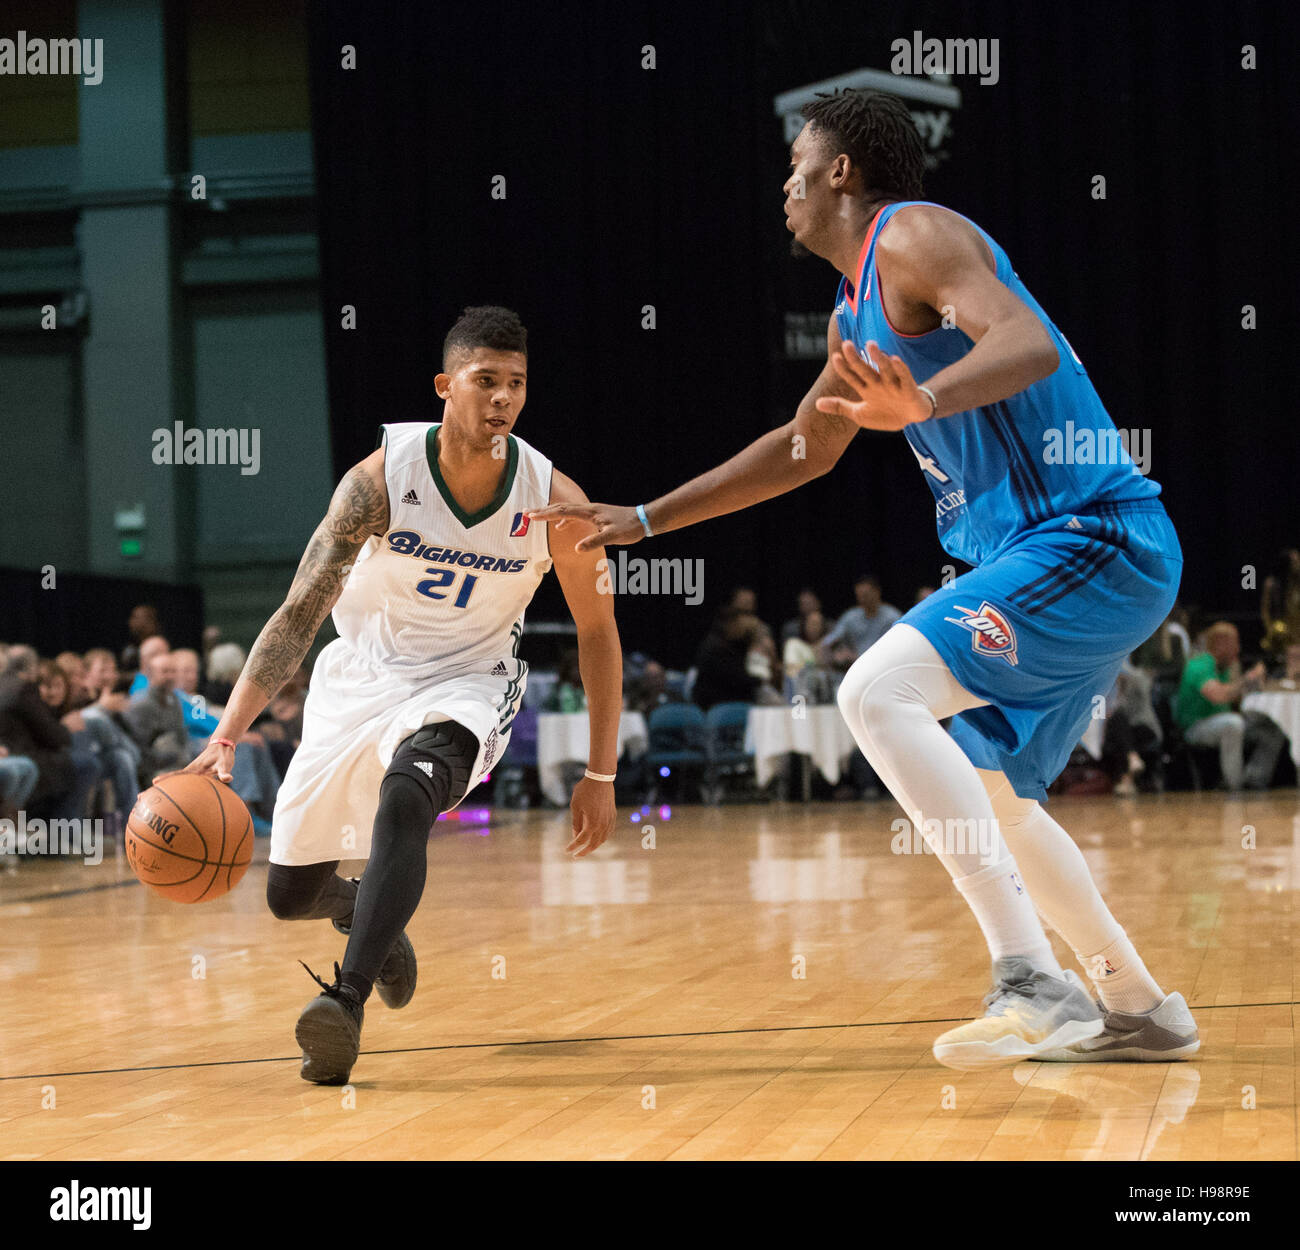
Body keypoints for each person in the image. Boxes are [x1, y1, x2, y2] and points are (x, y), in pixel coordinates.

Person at [532, 88, 1197, 1068]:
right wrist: (642, 518)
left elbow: (1027, 341)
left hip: (1094, 532)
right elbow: (802, 449)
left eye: (795, 161)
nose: (784, 183)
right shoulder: (855, 306)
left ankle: (1027, 977)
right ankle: (1138, 1006)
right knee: (995, 791)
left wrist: (921, 394)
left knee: (873, 688)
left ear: (839, 170)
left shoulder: (913, 235)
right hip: (1051, 555)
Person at [180, 305, 621, 1085]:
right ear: (446, 386)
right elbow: (299, 613)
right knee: (290, 896)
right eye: (486, 381)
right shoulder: (378, 483)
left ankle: (343, 1003)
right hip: (358, 677)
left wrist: (601, 774)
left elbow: (597, 633)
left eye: (517, 384)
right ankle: (359, 909)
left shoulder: (554, 499)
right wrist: (228, 730)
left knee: (405, 797)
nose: (503, 399)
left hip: (468, 681)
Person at [1174, 621, 1287, 790]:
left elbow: (1238, 701)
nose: (1238, 648)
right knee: (1233, 724)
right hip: (1195, 727)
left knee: (1271, 730)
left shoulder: (1227, 667)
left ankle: (1254, 781)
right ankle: (1234, 785)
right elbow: (1217, 696)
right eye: (1235, 643)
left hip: (1224, 722)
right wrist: (1246, 680)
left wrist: (1255, 683)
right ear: (1220, 643)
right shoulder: (1199, 665)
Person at [820, 575, 901, 670]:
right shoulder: (851, 617)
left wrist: (856, 656)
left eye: (866, 595)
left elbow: (897, 650)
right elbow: (830, 640)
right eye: (859, 596)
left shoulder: (892, 617)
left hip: (884, 668)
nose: (862, 599)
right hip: (853, 669)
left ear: (877, 592)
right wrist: (836, 652)